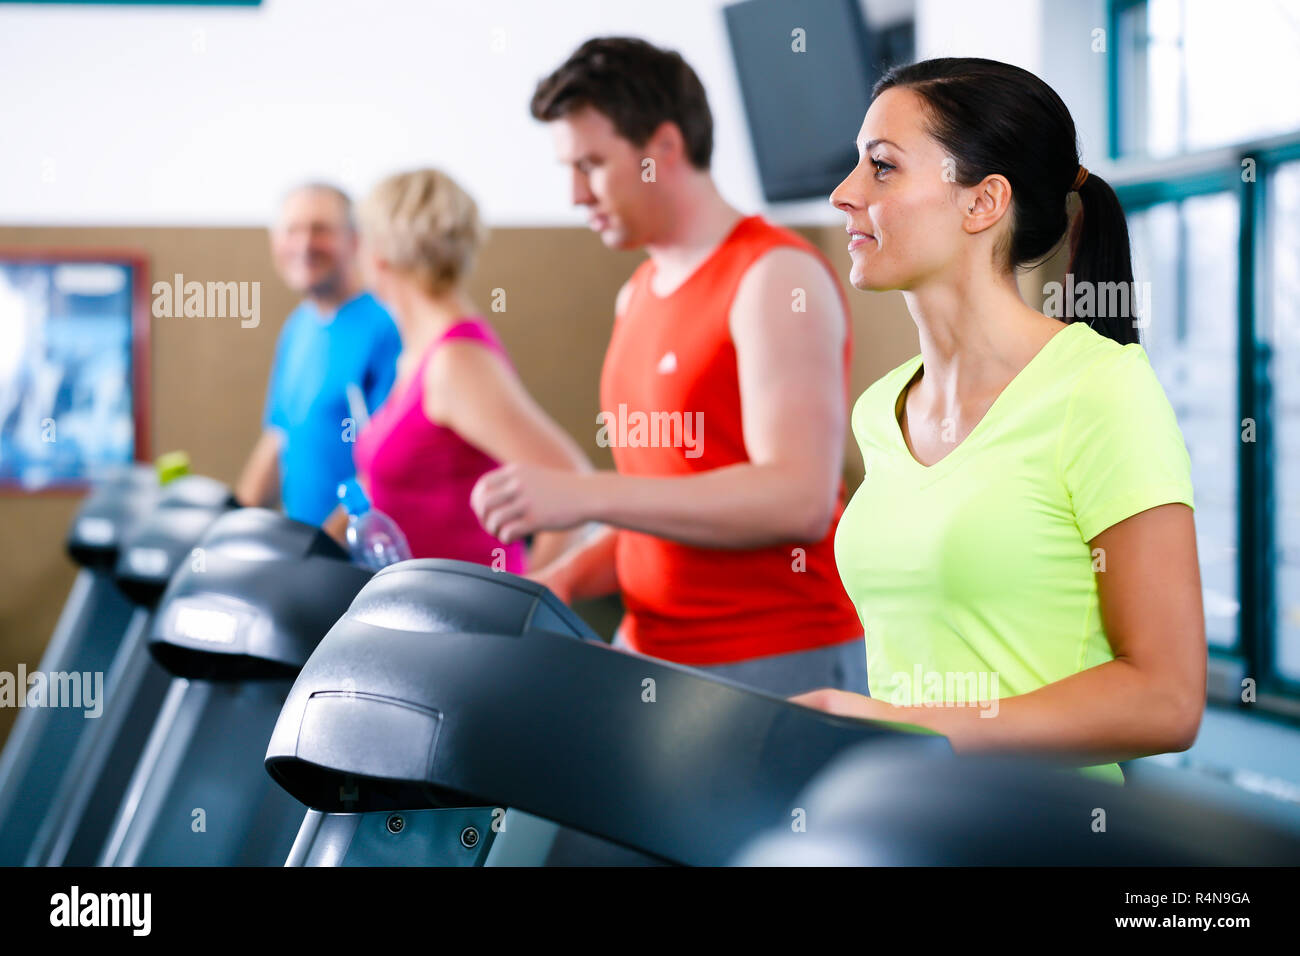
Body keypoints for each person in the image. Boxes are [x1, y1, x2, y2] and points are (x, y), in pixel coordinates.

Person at [791, 57, 1206, 784]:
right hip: (903, 818)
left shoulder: (1101, 392)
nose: (844, 194)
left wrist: (906, 728)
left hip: (1044, 833)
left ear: (983, 203)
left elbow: (1167, 700)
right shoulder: (879, 411)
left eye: (882, 168)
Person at [470, 37, 866, 697]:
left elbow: (797, 499)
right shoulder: (640, 291)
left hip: (775, 656)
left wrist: (588, 494)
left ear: (664, 149)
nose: (575, 194)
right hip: (653, 650)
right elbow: (668, 503)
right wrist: (563, 580)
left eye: (592, 164)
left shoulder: (774, 275)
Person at [325, 168, 590, 571]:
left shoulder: (455, 362)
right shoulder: (417, 351)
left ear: (377, 254)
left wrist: (533, 599)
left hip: (469, 620)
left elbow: (574, 486)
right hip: (418, 612)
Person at [236, 183, 401, 525]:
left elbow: (388, 470)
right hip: (306, 558)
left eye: (320, 230)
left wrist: (324, 547)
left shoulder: (386, 327)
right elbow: (279, 437)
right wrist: (234, 524)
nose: (305, 244)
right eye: (292, 231)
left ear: (354, 241)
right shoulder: (298, 326)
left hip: (360, 564)